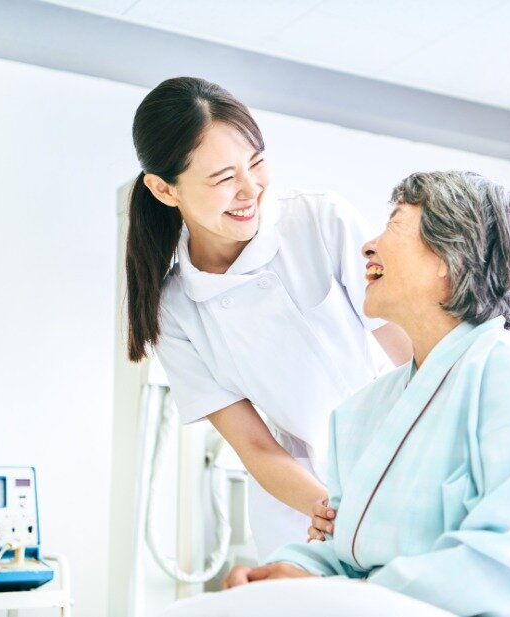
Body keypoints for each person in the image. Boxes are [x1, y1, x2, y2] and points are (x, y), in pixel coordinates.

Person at [221, 171, 510, 616]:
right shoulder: (359, 414)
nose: (368, 246)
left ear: (450, 256)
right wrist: (284, 572)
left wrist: (349, 594)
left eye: (395, 224)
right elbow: (343, 548)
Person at [125, 77, 412, 558]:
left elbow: (415, 354)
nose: (250, 189)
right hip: (299, 507)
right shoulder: (175, 309)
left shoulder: (320, 221)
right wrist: (329, 511)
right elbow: (255, 446)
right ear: (163, 189)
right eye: (223, 179)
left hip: (397, 458)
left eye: (256, 162)